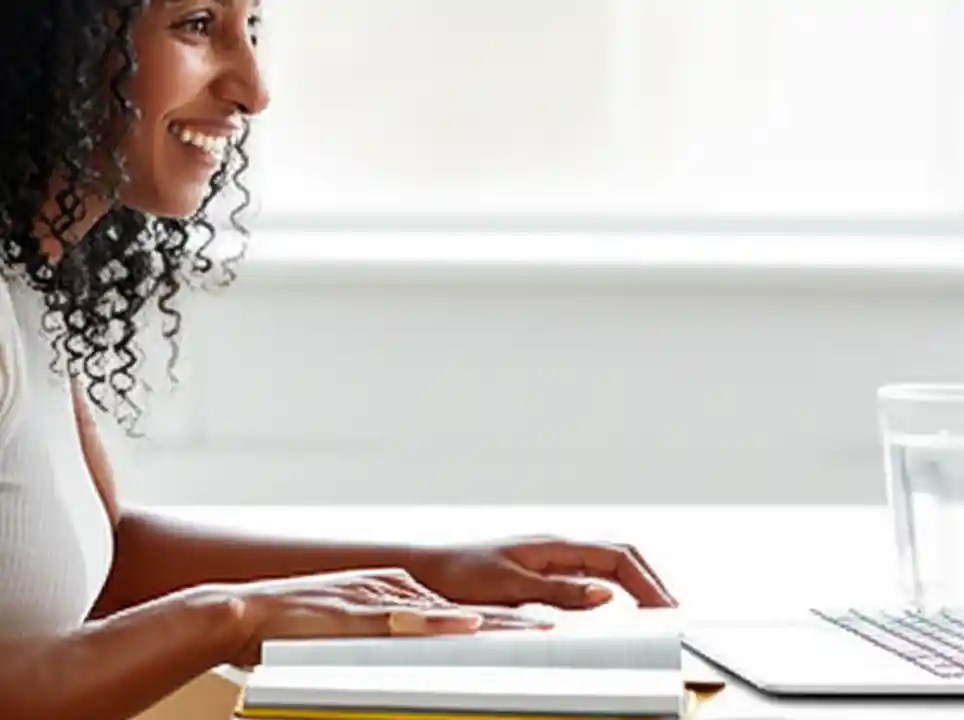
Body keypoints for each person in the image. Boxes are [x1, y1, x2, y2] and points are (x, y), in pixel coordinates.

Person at [0, 2, 677, 718]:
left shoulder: (27, 285)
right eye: (197, 25)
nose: (253, 90)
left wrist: (439, 572)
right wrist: (235, 617)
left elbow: (106, 563)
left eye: (251, 28)